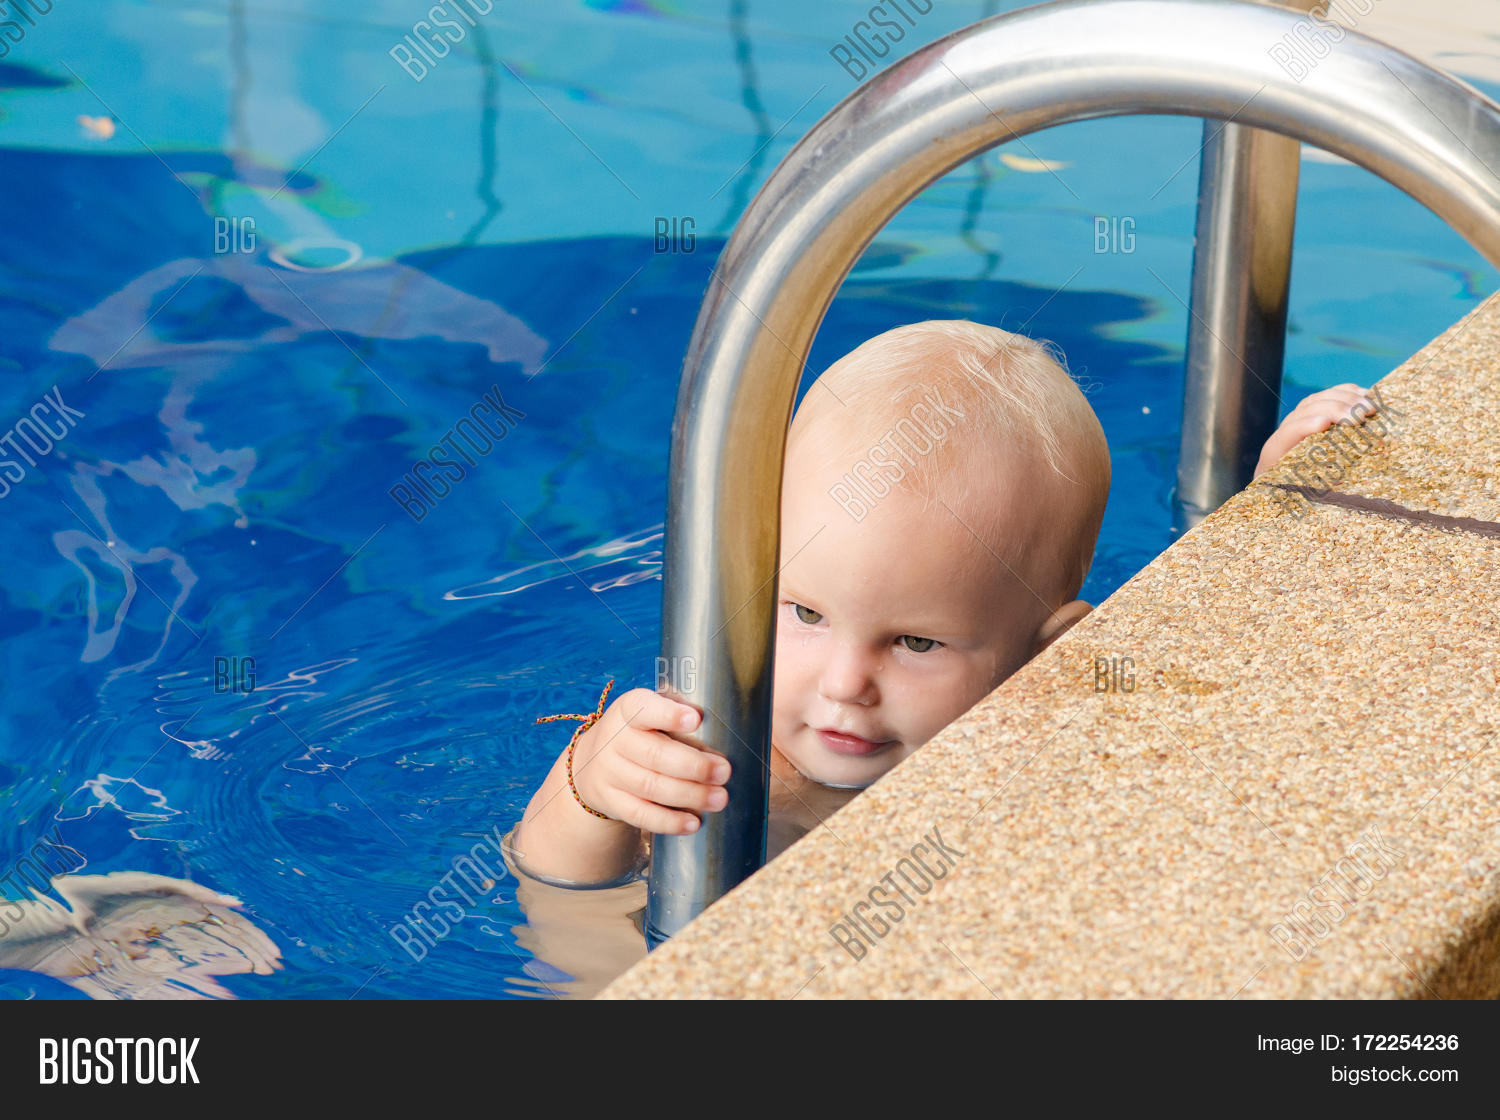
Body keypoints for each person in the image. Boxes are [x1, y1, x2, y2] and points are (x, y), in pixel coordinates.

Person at [511, 320, 1378, 887]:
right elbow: (550, 883)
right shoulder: (732, 753)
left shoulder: (1047, 731)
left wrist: (1273, 524)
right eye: (805, 614)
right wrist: (594, 785)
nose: (846, 682)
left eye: (916, 643)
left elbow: (1210, 676)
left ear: (1047, 657)